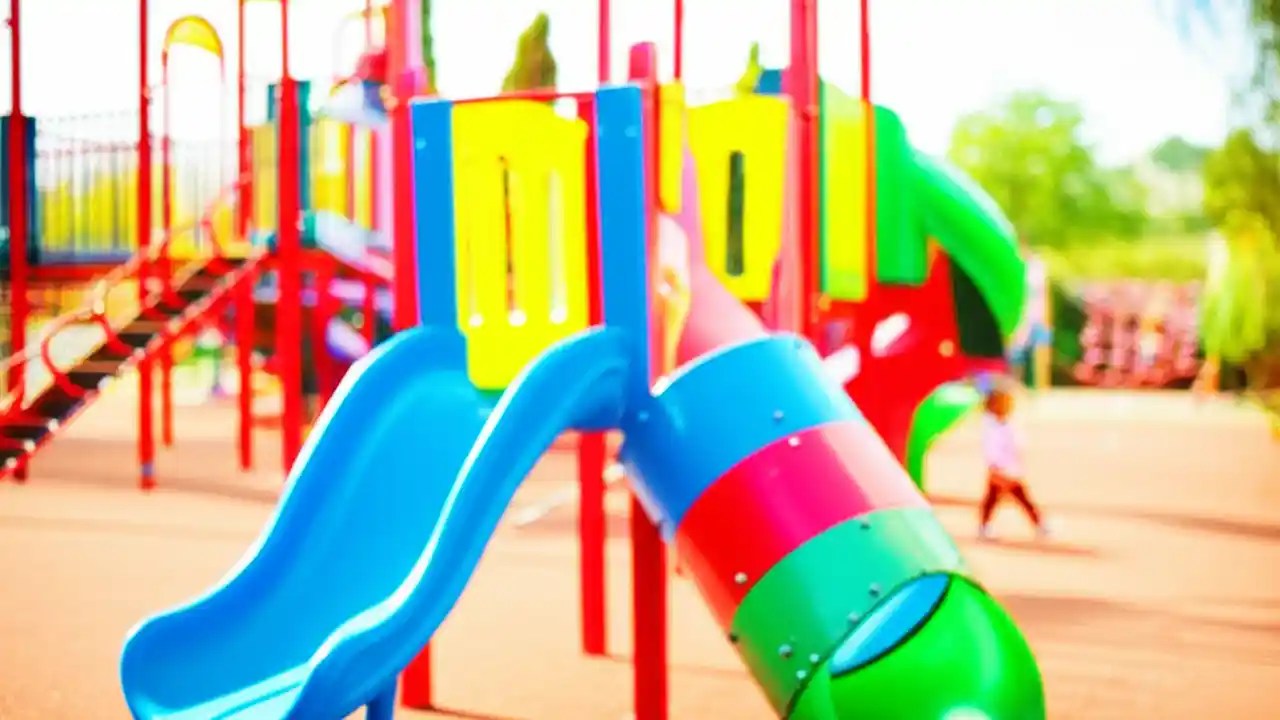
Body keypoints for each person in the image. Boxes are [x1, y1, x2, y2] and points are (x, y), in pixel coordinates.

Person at [978, 380, 1051, 540]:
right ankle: (984, 526)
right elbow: (991, 448)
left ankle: (1039, 524)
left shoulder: (1009, 422)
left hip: (1012, 469)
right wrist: (995, 467)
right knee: (998, 499)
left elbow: (1017, 443)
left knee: (1015, 498)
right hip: (1000, 469)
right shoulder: (990, 425)